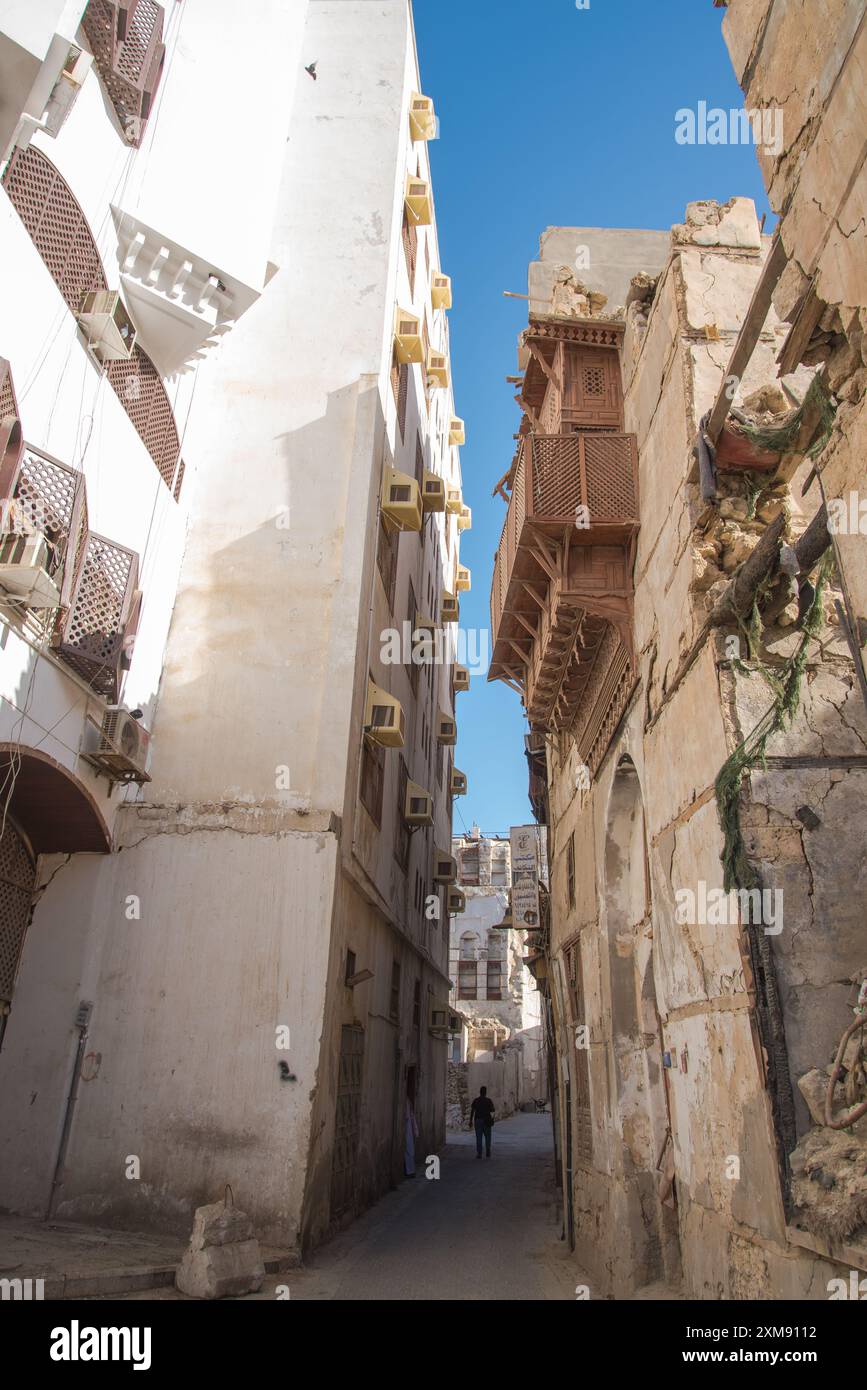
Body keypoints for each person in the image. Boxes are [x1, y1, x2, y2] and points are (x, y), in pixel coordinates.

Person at [469, 1085, 495, 1159]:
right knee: (488, 1137)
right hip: (487, 1120)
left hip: (478, 1121)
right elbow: (493, 1110)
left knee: (479, 1137)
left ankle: (479, 1153)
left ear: (480, 1092)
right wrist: (492, 1117)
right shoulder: (489, 1101)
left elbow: (472, 1111)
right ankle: (488, 1151)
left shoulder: (476, 1100)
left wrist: (470, 1121)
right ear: (485, 1092)